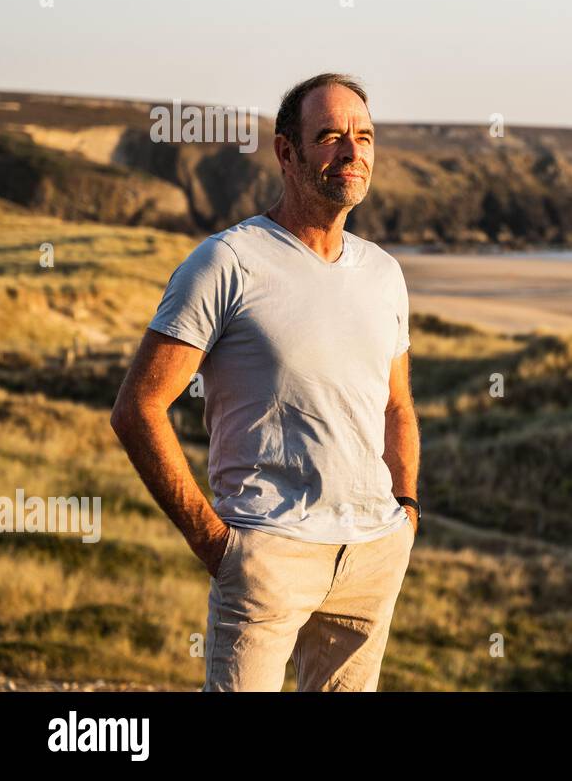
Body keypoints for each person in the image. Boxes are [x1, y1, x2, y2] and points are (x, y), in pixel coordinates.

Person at [110, 73, 420, 691]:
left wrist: (406, 512)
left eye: (363, 136)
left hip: (371, 557)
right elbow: (138, 407)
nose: (352, 152)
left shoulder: (383, 274)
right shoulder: (228, 262)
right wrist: (216, 544)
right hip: (265, 557)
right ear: (286, 152)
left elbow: (397, 407)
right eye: (330, 136)